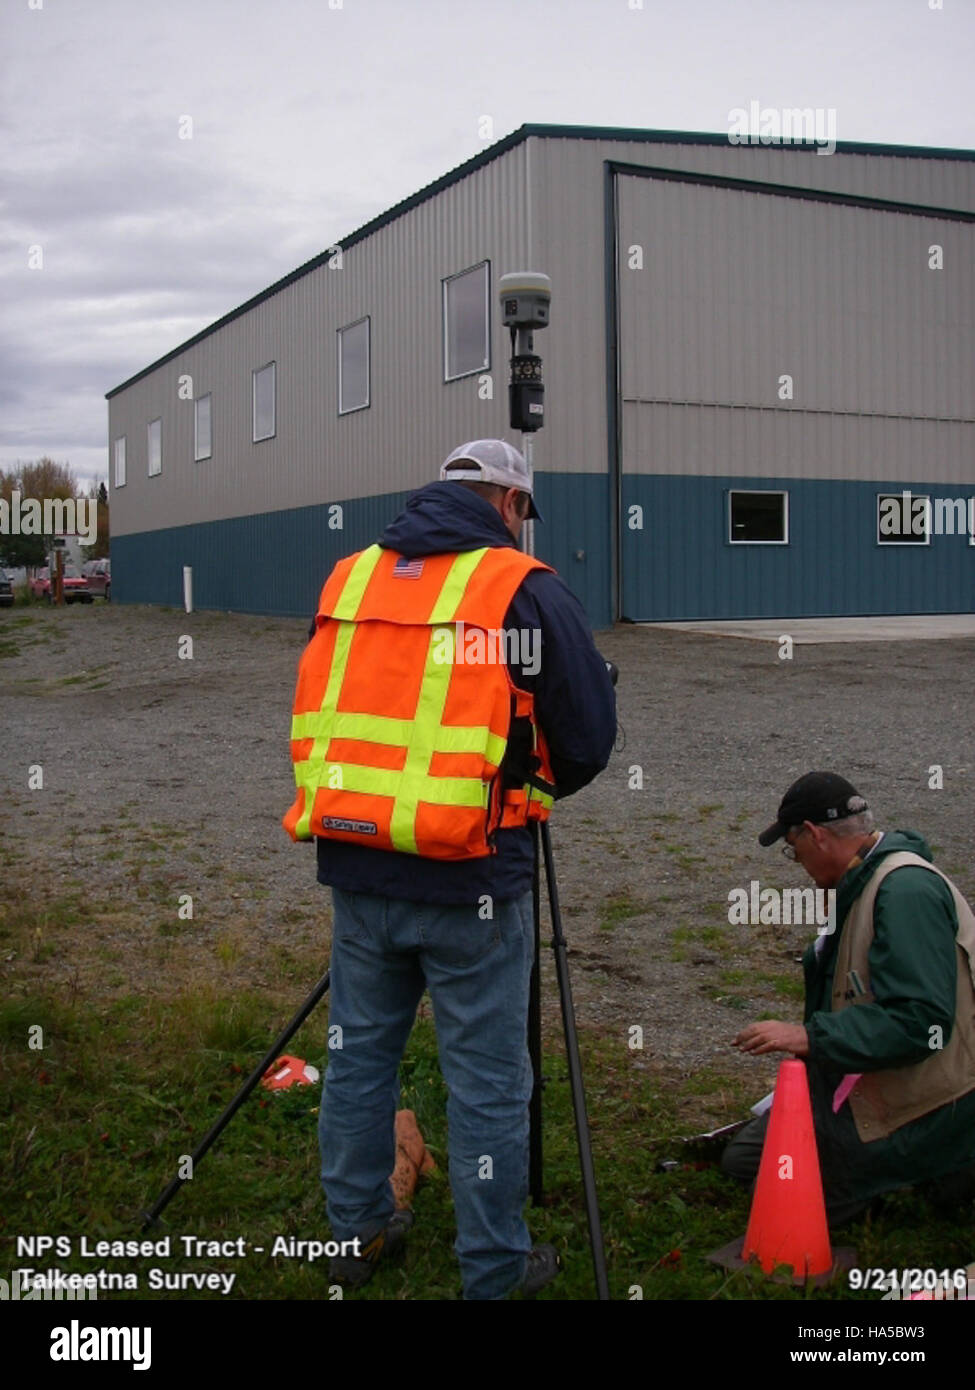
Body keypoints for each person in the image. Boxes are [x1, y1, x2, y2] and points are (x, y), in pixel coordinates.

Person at [283, 439, 616, 1298]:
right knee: (487, 1081)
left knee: (357, 1060)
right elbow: (585, 737)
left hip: (358, 858)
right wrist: (523, 784)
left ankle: (355, 1237)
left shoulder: (347, 579)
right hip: (473, 876)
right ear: (509, 503)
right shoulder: (521, 586)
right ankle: (494, 1267)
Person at [724, 771, 975, 1226]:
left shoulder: (904, 892)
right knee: (746, 1159)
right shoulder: (862, 881)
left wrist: (808, 1037)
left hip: (932, 1102)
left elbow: (922, 1024)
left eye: (792, 849)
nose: (796, 860)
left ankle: (933, 1179)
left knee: (783, 1191)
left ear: (815, 835)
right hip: (876, 1082)